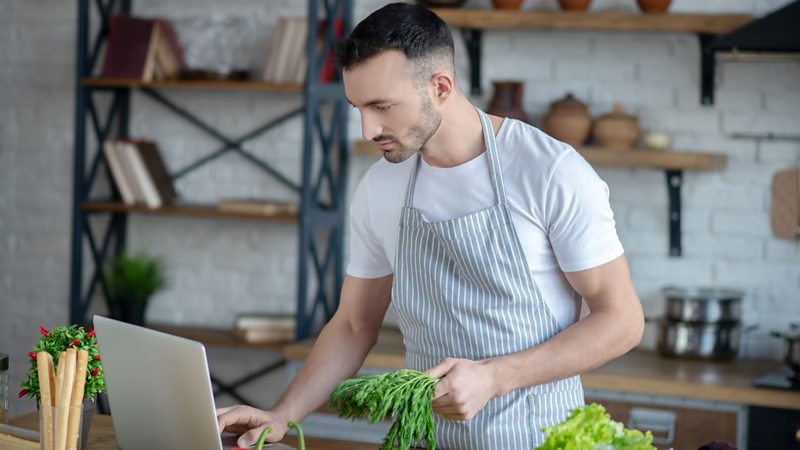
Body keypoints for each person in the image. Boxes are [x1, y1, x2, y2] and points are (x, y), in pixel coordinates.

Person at [217, 3, 644, 449]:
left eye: (382, 106)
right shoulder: (381, 187)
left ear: (440, 86)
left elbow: (622, 321)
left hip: (543, 439)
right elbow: (354, 324)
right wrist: (282, 414)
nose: (367, 129)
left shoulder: (549, 172)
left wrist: (494, 377)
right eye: (358, 108)